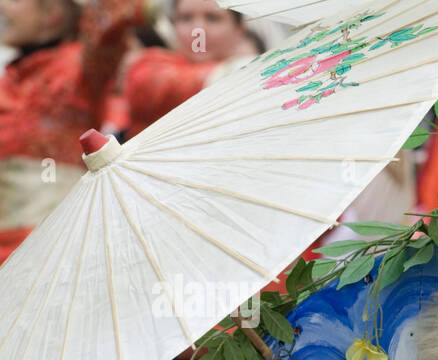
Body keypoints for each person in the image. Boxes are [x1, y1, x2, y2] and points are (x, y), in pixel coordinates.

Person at [0, 0, 142, 263]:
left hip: (53, 249)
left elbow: (112, 21)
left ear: (52, 12)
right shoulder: (8, 78)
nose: (3, 6)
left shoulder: (80, 68)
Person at [122, 0, 261, 134]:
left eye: (212, 18)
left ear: (240, 30)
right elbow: (160, 86)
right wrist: (249, 69)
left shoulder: (253, 75)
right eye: (186, 18)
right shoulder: (149, 65)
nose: (198, 29)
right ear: (173, 25)